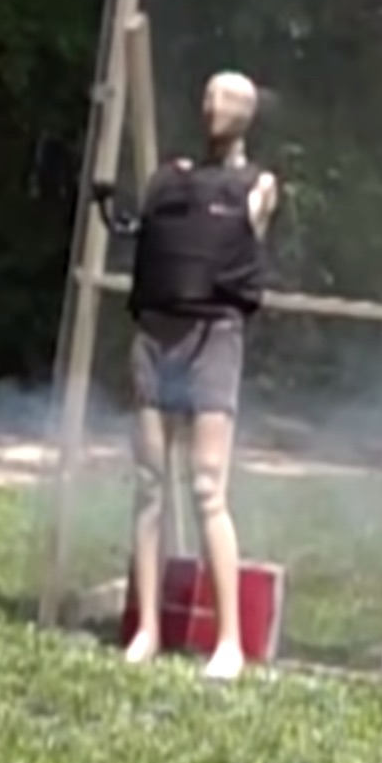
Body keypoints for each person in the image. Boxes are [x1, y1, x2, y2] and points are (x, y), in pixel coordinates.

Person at [93, 71, 279, 679]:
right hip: (155, 334)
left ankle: (228, 640)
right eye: (205, 96)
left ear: (246, 114)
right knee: (149, 486)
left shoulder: (259, 186)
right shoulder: (167, 180)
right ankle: (147, 628)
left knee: (205, 488)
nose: (211, 108)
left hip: (213, 338)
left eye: (225, 99)